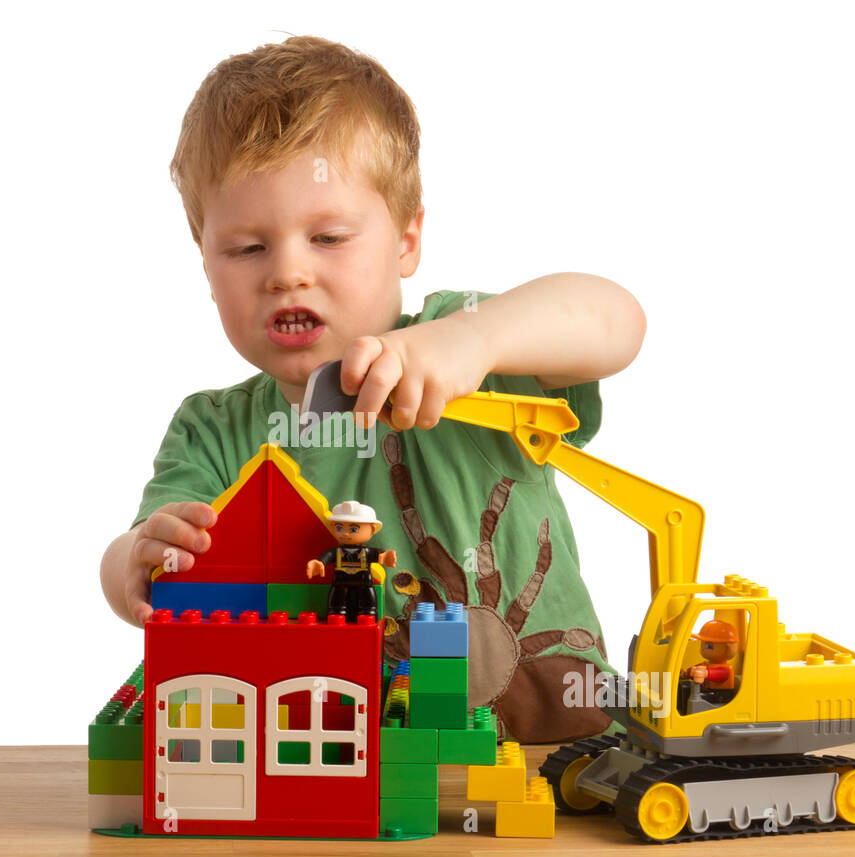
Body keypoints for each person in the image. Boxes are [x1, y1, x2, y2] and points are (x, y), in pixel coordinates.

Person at [99, 36, 646, 742]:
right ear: (206, 267)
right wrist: (132, 564)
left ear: (406, 241)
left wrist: (474, 341)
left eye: (328, 237)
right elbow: (147, 561)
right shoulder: (213, 431)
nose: (287, 272)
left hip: (562, 759)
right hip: (345, 768)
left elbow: (618, 321)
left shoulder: (468, 349)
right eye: (246, 248)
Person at [306, 500, 397, 622]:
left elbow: (379, 554)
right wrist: (320, 563)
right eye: (339, 528)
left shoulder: (367, 552)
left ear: (372, 529)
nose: (345, 533)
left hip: (364, 582)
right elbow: (327, 556)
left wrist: (385, 556)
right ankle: (336, 611)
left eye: (353, 529)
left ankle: (368, 610)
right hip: (340, 582)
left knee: (368, 596)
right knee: (337, 596)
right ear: (333, 526)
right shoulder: (336, 552)